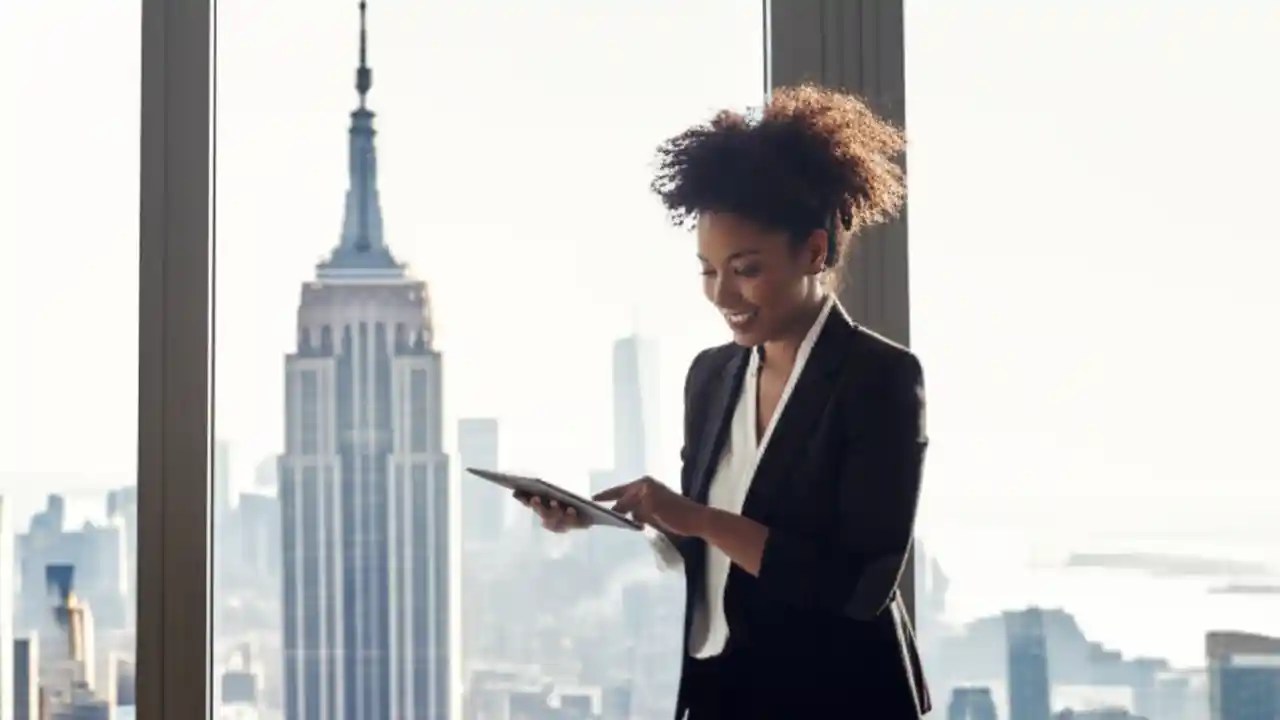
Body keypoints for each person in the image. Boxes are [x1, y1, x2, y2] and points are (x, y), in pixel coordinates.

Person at [517, 84, 930, 719]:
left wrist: (697, 517)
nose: (721, 293)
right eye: (707, 270)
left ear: (814, 252)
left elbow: (858, 584)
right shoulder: (711, 377)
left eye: (745, 268)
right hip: (723, 688)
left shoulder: (879, 379)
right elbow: (714, 552)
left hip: (837, 696)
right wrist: (620, 520)